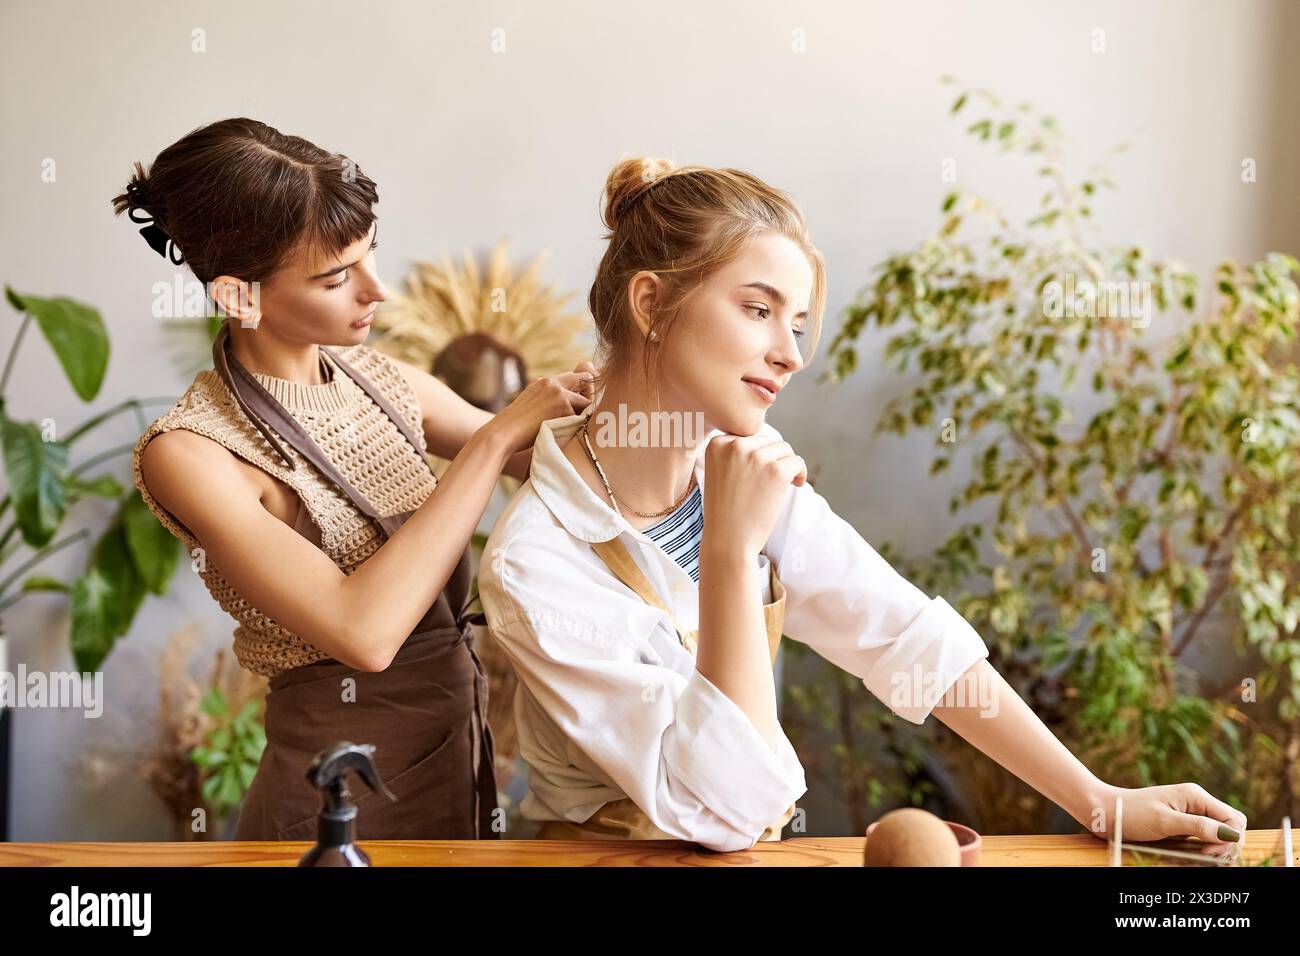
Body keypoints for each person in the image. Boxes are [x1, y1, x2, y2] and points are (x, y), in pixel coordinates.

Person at [476, 156, 1248, 853]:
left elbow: (906, 642)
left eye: (800, 322)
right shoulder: (536, 558)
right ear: (650, 302)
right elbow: (722, 809)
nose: (793, 352)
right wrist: (730, 554)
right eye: (758, 309)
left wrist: (1099, 801)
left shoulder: (738, 476)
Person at [121, 118, 594, 840]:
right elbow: (363, 632)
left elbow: (564, 468)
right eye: (337, 277)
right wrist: (497, 436)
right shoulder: (190, 452)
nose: (376, 292)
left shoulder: (380, 380)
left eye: (371, 258)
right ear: (238, 297)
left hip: (456, 753)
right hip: (333, 786)